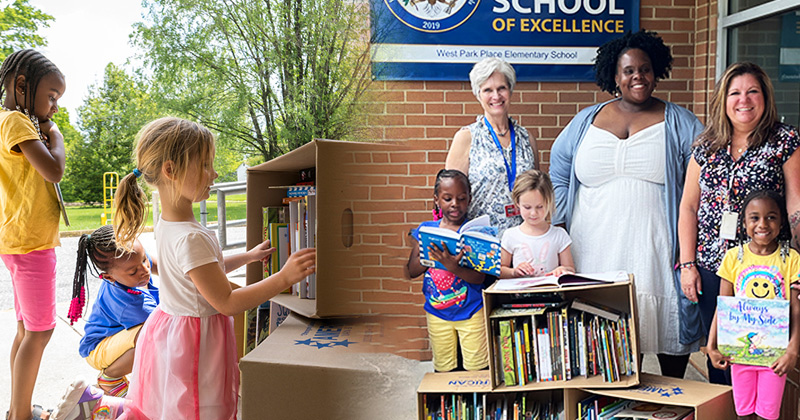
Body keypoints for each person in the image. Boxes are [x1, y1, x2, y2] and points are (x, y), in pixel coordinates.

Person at [52, 117, 317, 420]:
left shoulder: (168, 224)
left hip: (174, 332)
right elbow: (226, 301)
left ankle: (102, 408)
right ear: (170, 170)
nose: (214, 173)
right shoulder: (191, 236)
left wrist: (247, 257)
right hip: (196, 342)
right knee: (199, 409)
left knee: (169, 407)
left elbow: (198, 274)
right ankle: (100, 409)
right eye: (205, 165)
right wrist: (284, 277)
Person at [550, 30, 703, 378]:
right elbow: (558, 171)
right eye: (629, 71)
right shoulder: (585, 121)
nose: (638, 77)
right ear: (614, 76)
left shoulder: (680, 122)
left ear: (656, 71)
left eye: (645, 69)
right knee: (598, 341)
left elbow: (703, 179)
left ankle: (672, 401)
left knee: (666, 336)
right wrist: (559, 225)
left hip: (656, 249)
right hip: (593, 250)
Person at [678, 61, 800, 385]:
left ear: (765, 97)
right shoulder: (705, 146)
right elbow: (689, 208)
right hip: (714, 268)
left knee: (763, 360)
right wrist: (687, 264)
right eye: (735, 92)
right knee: (720, 356)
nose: (743, 100)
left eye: (752, 92)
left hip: (767, 267)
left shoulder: (784, 141)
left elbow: (795, 205)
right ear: (723, 99)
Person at [0, 49, 66, 420]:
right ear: (22, 85)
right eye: (52, 96)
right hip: (32, 244)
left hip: (18, 241)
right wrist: (54, 134)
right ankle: (21, 415)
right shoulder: (20, 123)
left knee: (28, 331)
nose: (54, 108)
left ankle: (16, 409)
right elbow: (53, 170)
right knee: (40, 333)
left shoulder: (7, 121)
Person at [705, 190, 800, 420]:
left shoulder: (792, 259)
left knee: (768, 414)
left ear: (781, 221)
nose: (762, 224)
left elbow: (797, 310)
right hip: (740, 355)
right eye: (754, 217)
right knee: (743, 413)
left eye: (771, 217)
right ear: (744, 223)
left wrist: (793, 350)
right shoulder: (732, 257)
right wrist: (711, 345)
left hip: (775, 356)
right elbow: (723, 305)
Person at [406, 169, 489, 372]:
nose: (455, 204)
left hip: (471, 310)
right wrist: (430, 259)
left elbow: (479, 278)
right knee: (444, 369)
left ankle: (475, 403)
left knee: (477, 368)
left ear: (469, 199)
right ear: (436, 200)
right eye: (447, 198)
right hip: (437, 312)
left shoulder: (476, 233)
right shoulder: (426, 230)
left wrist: (453, 267)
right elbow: (411, 270)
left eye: (461, 198)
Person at [445, 57, 538, 237]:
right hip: (481, 244)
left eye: (501, 88)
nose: (496, 96)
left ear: (510, 90)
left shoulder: (527, 138)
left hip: (523, 243)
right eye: (488, 90)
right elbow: (450, 198)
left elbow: (537, 193)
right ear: (478, 94)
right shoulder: (466, 138)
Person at [67, 225, 159, 397]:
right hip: (98, 349)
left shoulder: (134, 262)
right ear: (109, 277)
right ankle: (111, 378)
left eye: (145, 260)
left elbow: (171, 270)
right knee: (154, 332)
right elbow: (166, 322)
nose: (145, 270)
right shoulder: (130, 304)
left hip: (117, 338)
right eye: (133, 271)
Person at [499, 169, 574, 278]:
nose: (533, 213)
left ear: (549, 202)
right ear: (517, 203)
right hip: (520, 293)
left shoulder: (559, 235)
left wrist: (562, 270)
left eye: (540, 207)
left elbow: (570, 268)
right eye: (527, 207)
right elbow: (500, 271)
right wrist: (514, 272)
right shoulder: (510, 235)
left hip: (552, 293)